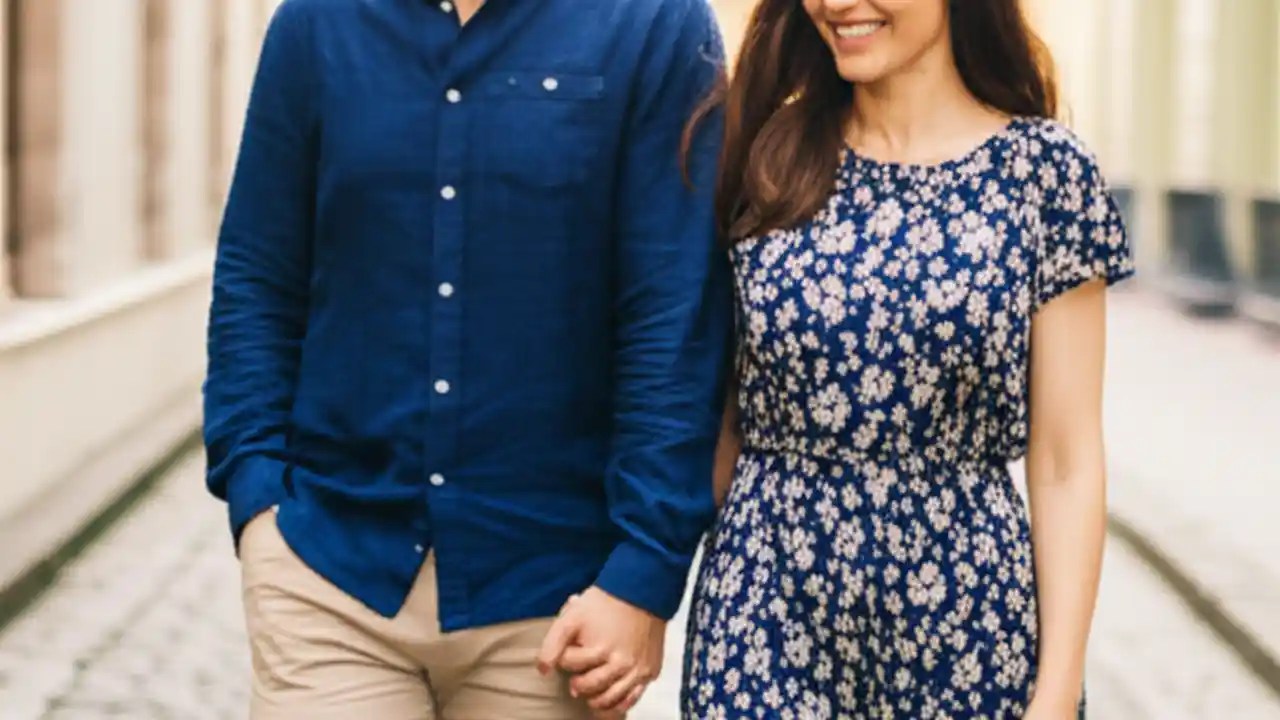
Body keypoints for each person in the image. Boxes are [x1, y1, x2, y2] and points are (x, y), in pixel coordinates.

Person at [202, 0, 731, 717]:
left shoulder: (655, 22)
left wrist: (644, 572)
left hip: (554, 597)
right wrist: (256, 496)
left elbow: (672, 315)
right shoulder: (316, 23)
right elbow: (257, 274)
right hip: (329, 572)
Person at [683, 0, 1134, 717]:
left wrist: (1055, 695)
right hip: (766, 620)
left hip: (971, 628)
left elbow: (1066, 459)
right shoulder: (762, 157)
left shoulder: (1046, 176)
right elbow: (717, 424)